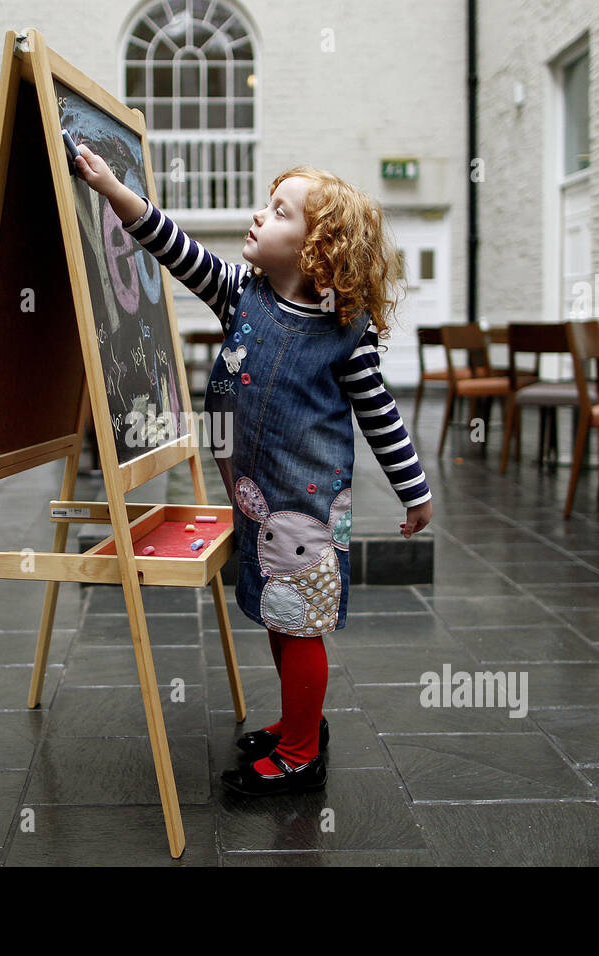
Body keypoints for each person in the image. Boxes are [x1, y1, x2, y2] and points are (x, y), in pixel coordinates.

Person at [74, 144, 432, 796]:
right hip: (258, 501)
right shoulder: (241, 294)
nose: (258, 217)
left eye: (278, 212)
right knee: (280, 617)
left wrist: (415, 492)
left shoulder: (344, 335)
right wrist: (110, 188)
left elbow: (381, 417)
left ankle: (300, 752)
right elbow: (171, 245)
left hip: (306, 514)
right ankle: (298, 723)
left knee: (298, 627)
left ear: (316, 248)